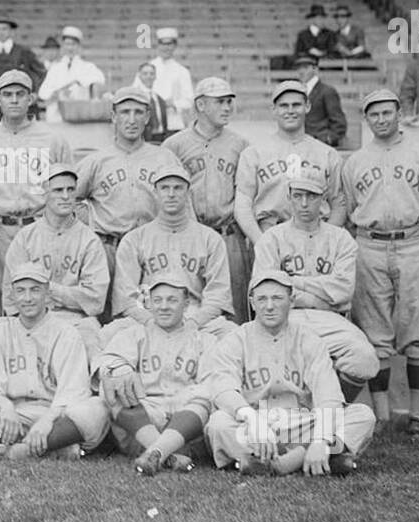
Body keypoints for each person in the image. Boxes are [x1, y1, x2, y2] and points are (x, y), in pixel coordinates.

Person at [340, 89, 419, 435]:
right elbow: (347, 211)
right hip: (369, 246)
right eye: (374, 115)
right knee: (373, 330)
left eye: (387, 113)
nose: (381, 119)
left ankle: (417, 416)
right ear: (367, 119)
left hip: (416, 244)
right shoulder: (356, 161)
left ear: (399, 113)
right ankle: (382, 414)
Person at [204, 269, 376, 476]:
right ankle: (322, 457)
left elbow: (328, 395)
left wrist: (320, 438)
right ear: (252, 303)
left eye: (277, 298)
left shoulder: (309, 339)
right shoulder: (236, 339)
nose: (269, 306)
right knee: (218, 425)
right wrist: (251, 418)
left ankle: (273, 464)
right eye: (262, 299)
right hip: (256, 423)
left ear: (292, 301)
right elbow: (223, 388)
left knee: (362, 415)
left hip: (301, 421)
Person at [0, 263, 109, 463]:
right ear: (13, 295)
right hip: (9, 417)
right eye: (21, 291)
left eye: (35, 290)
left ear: (47, 293)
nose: (27, 298)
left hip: (55, 416)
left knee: (96, 409)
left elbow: (73, 391)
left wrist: (46, 422)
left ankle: (13, 451)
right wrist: (6, 408)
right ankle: (54, 448)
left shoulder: (65, 332)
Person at [251, 166, 379, 398]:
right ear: (289, 197)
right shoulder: (271, 238)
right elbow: (268, 293)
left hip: (331, 320)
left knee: (364, 358)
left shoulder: (341, 239)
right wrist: (320, 292)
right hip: (287, 320)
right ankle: (299, 418)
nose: (304, 203)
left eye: (311, 196)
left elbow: (343, 290)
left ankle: (335, 411)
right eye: (298, 195)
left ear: (323, 199)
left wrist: (294, 282)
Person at [0, 69, 73, 321]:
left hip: (38, 225)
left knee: (39, 295)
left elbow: (69, 187)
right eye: (7, 94)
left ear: (31, 99)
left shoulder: (52, 138)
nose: (14, 100)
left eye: (20, 94)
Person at [99, 271, 217, 474]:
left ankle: (154, 454)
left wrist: (185, 401)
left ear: (186, 304)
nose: (163, 306)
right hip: (144, 421)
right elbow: (109, 363)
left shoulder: (205, 340)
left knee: (205, 397)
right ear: (149, 303)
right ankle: (164, 454)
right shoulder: (133, 334)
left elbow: (211, 385)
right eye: (157, 300)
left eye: (172, 300)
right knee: (112, 387)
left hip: (185, 426)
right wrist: (123, 371)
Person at [73, 85, 187, 278]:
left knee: (152, 306)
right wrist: (91, 223)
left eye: (138, 112)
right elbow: (68, 199)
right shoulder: (96, 161)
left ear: (148, 117)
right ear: (114, 117)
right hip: (110, 250)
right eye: (125, 112)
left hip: (155, 250)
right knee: (109, 307)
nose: (132, 120)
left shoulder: (165, 158)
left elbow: (185, 207)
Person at [0, 164, 109, 363]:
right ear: (45, 194)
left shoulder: (89, 240)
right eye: (58, 190)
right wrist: (69, 294)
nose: (66, 196)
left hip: (76, 321)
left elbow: (95, 300)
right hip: (30, 320)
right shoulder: (26, 237)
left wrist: (47, 290)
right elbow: (10, 295)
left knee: (92, 342)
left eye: (70, 190)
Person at [110, 166, 235, 340]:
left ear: (188, 192)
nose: (171, 194)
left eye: (178, 188)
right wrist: (149, 322)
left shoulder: (210, 238)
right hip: (148, 314)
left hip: (194, 314)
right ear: (155, 192)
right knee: (108, 335)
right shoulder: (135, 239)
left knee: (231, 333)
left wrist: (193, 323)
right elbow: (127, 298)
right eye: (164, 188)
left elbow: (217, 296)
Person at [164, 76, 250, 322]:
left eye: (229, 102)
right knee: (189, 309)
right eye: (220, 102)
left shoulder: (241, 144)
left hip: (228, 236)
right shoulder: (175, 145)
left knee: (234, 310)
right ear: (201, 105)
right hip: (188, 237)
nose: (227, 108)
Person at [233, 80, 347, 247]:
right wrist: (261, 243)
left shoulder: (327, 154)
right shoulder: (254, 153)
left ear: (307, 106)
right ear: (274, 109)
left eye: (296, 105)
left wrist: (325, 242)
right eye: (284, 106)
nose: (290, 111)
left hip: (315, 238)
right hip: (269, 234)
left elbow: (338, 204)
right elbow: (242, 205)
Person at [0, 18, 46, 126]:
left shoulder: (24, 52)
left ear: (12, 31)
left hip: (19, 104)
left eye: (4, 29)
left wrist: (35, 92)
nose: (1, 32)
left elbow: (41, 72)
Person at [37, 26, 105, 123]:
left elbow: (99, 81)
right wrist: (57, 93)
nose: (70, 48)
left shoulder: (88, 67)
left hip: (78, 118)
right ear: (63, 46)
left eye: (73, 44)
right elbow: (43, 93)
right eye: (67, 44)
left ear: (79, 46)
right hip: (56, 118)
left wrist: (81, 83)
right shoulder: (55, 68)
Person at [293, 53, 347, 147]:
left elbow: (339, 122)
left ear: (315, 69)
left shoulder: (327, 91)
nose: (301, 72)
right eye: (299, 68)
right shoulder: (297, 92)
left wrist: (329, 139)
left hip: (320, 143)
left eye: (305, 68)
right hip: (300, 143)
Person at [150, 27, 194, 131]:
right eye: (162, 44)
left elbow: (189, 100)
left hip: (174, 123)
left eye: (169, 44)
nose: (166, 48)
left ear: (175, 46)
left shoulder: (182, 71)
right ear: (158, 45)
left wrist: (174, 103)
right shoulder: (148, 68)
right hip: (151, 125)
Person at [134, 61, 171, 141]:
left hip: (161, 138)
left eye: (152, 73)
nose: (149, 76)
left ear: (155, 76)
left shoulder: (159, 99)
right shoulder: (135, 97)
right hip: (143, 139)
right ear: (139, 75)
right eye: (145, 73)